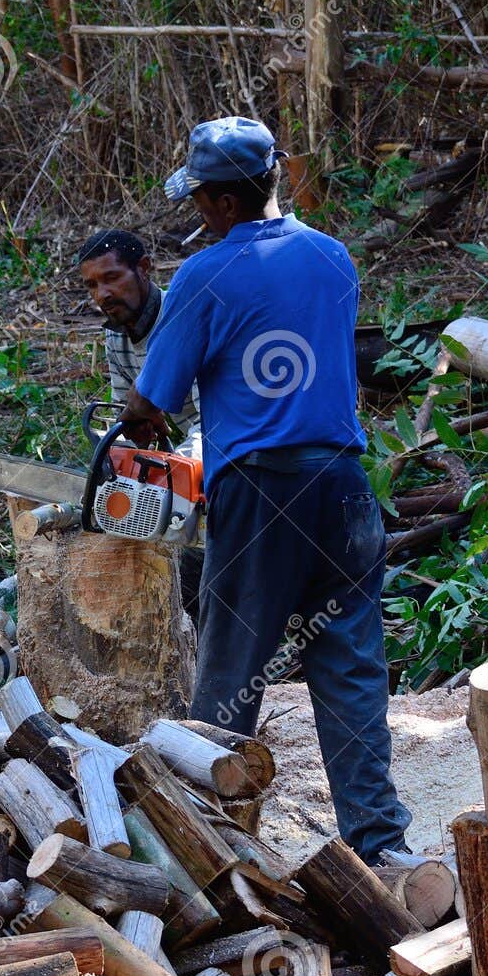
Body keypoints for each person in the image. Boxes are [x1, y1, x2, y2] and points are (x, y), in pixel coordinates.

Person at [120, 116, 413, 862]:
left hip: (260, 491)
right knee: (347, 664)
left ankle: (203, 845)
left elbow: (154, 400)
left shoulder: (203, 275)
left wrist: (135, 428)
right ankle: (379, 846)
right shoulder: (332, 258)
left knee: (230, 670)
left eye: (200, 201)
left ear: (217, 201)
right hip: (345, 486)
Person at [77, 228, 200, 443]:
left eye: (112, 278)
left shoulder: (185, 319)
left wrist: (177, 469)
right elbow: (124, 412)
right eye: (92, 285)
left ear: (143, 268)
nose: (101, 295)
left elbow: (214, 424)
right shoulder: (116, 335)